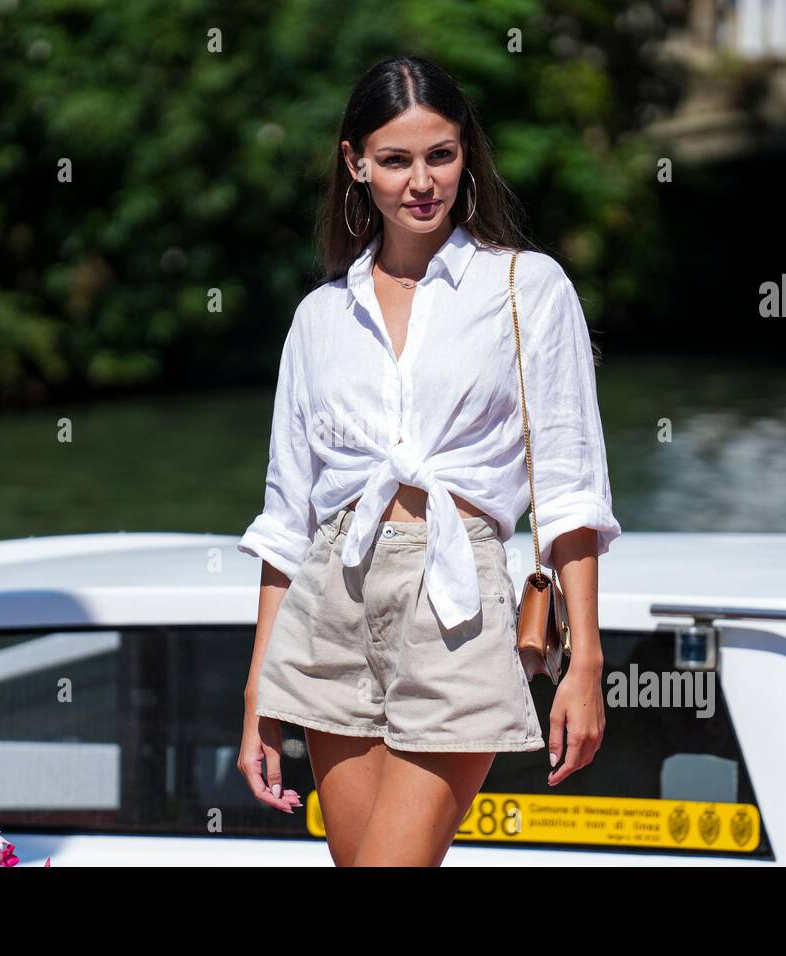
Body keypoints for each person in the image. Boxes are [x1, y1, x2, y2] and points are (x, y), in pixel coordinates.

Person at [235, 55, 621, 866]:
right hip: (332, 600)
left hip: (457, 604)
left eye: (441, 155)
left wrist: (584, 662)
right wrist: (256, 696)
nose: (422, 181)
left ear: (466, 154)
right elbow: (285, 522)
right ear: (355, 164)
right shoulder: (319, 318)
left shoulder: (526, 288)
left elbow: (571, 488)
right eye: (396, 159)